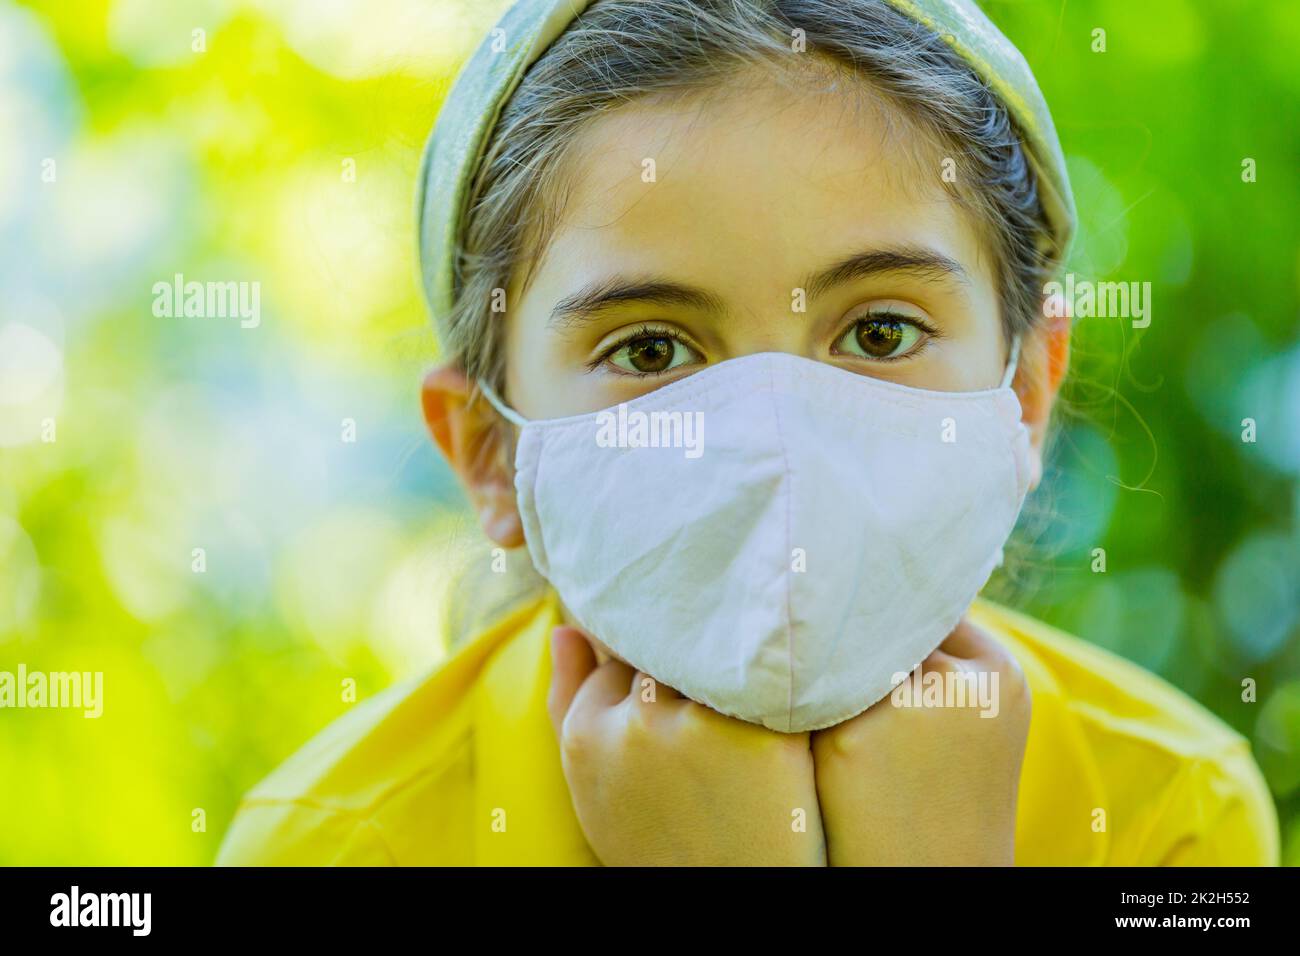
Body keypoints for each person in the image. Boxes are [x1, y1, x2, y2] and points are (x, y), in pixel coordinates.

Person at [216, 0, 1279, 866]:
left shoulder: (1167, 815)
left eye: (877, 329)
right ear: (489, 450)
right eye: (649, 350)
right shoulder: (331, 845)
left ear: (1027, 396)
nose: (776, 445)